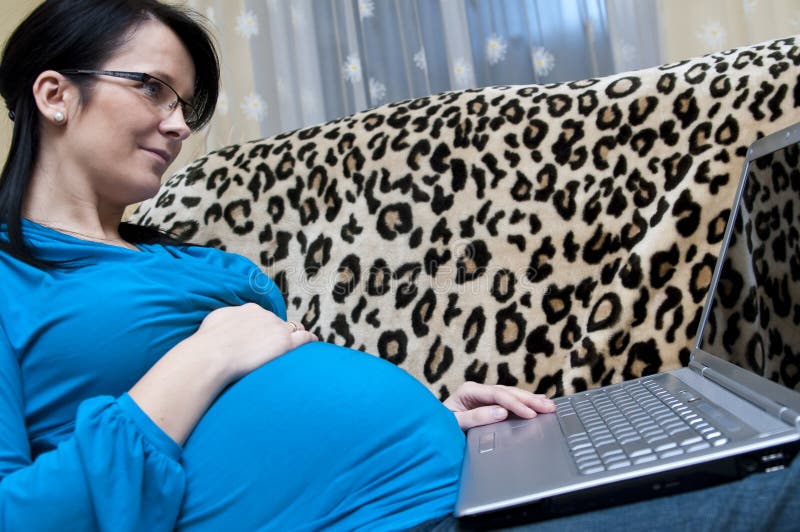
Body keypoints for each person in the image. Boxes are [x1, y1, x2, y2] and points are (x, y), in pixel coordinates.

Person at [0, 1, 797, 531]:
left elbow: (275, 416)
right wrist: (207, 353)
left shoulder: (188, 259)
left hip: (453, 480)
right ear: (54, 93)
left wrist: (430, 416)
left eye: (188, 105)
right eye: (153, 89)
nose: (178, 124)